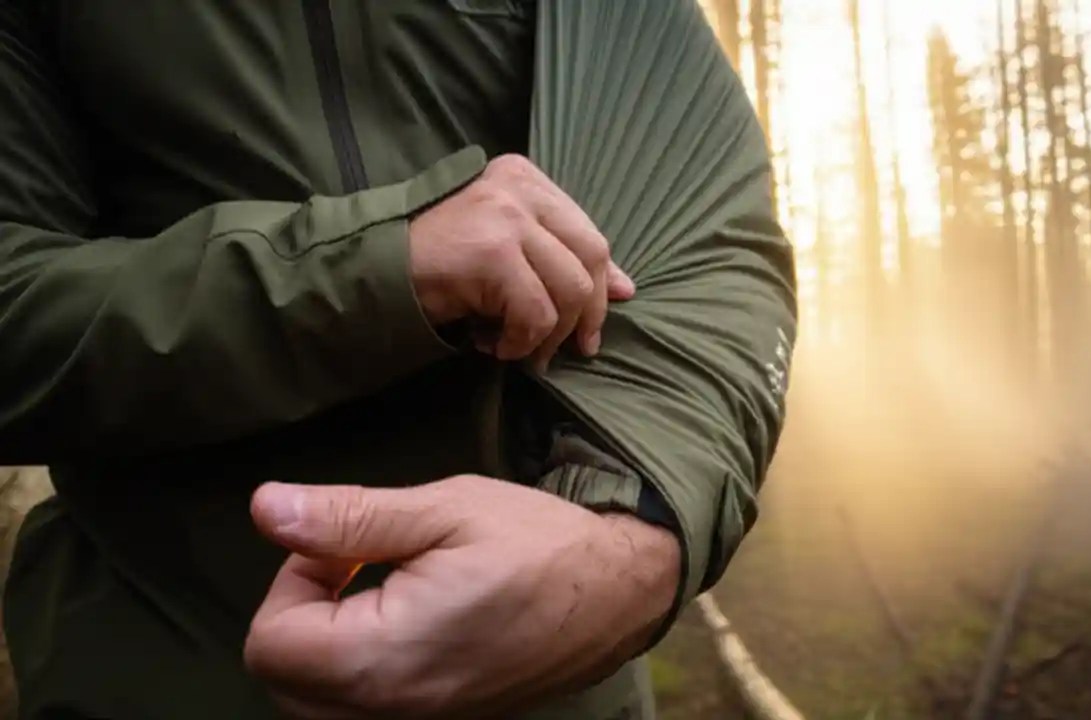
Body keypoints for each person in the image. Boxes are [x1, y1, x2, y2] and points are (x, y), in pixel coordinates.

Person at [0, 2, 795, 718]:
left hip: (561, 696)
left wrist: (629, 544)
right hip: (156, 677)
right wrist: (380, 268)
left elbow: (712, 248)